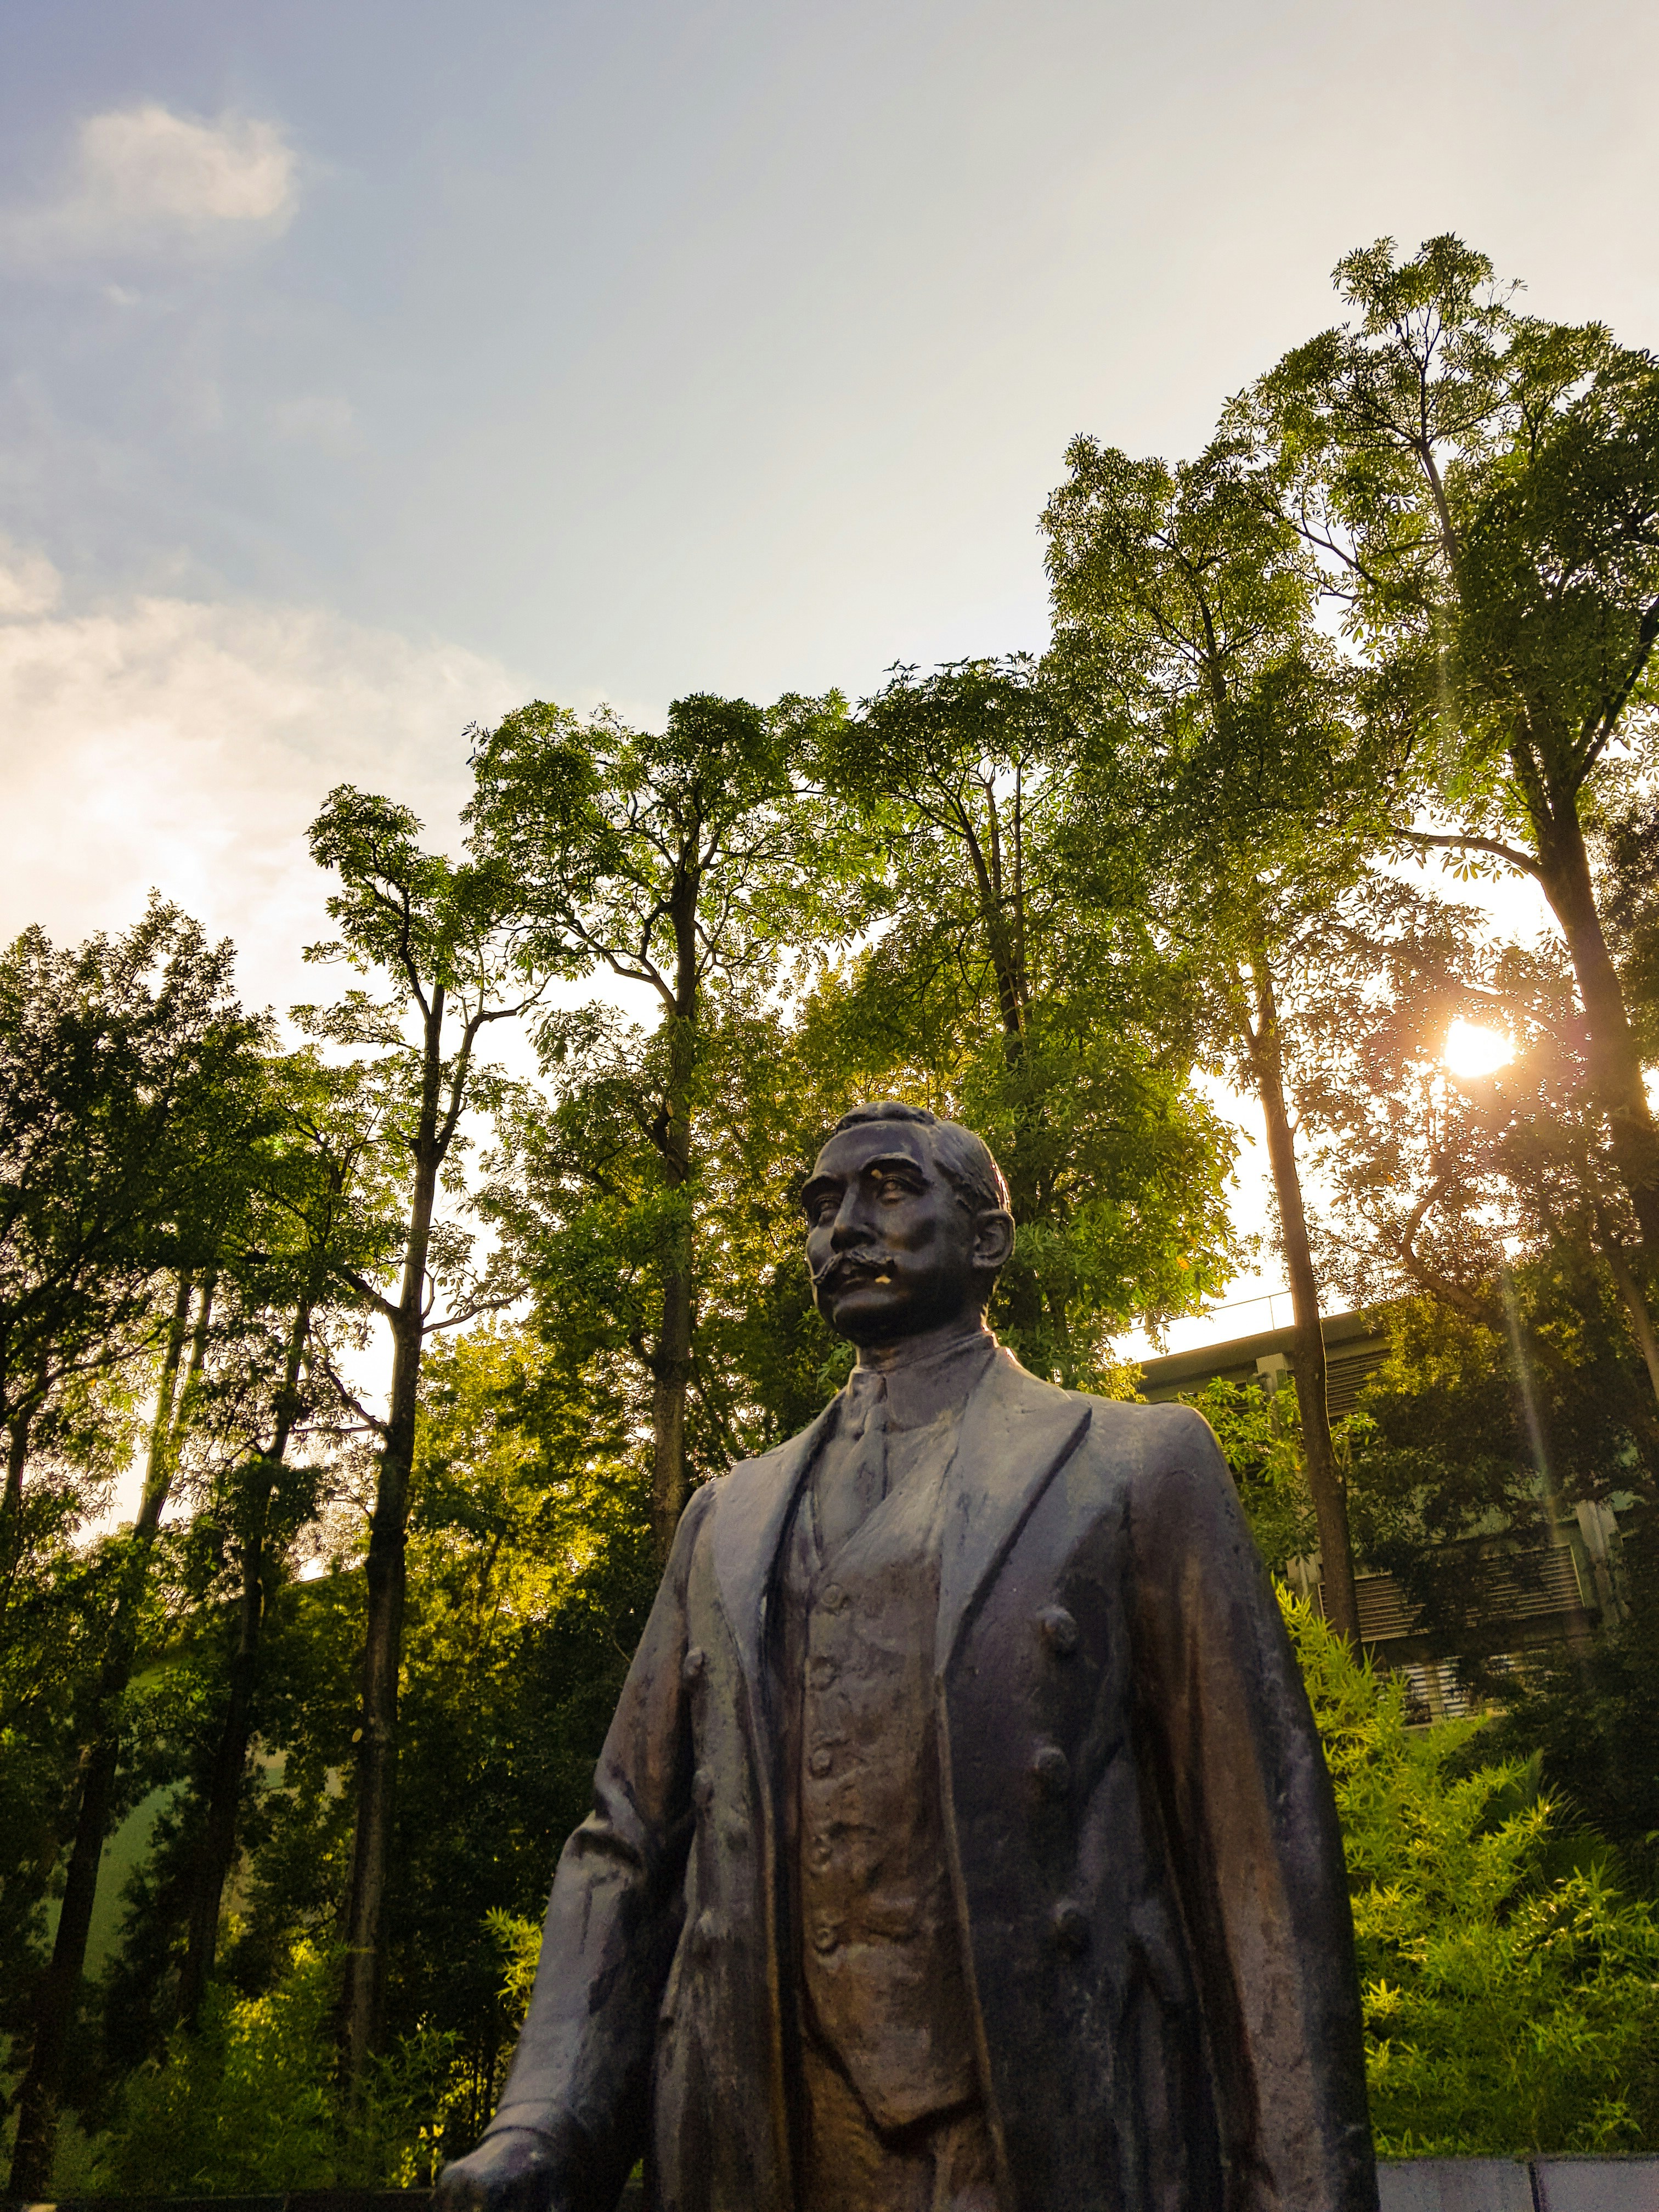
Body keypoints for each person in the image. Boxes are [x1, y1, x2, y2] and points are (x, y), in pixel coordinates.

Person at [435, 1102, 1377, 2212]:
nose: (843, 1227)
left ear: (987, 1240)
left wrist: (1307, 2190)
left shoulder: (1136, 1465)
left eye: (887, 1190)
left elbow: (1257, 1852)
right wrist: (547, 2119)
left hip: (1045, 2123)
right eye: (821, 1207)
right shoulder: (726, 1518)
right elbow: (623, 1844)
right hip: (760, 2131)